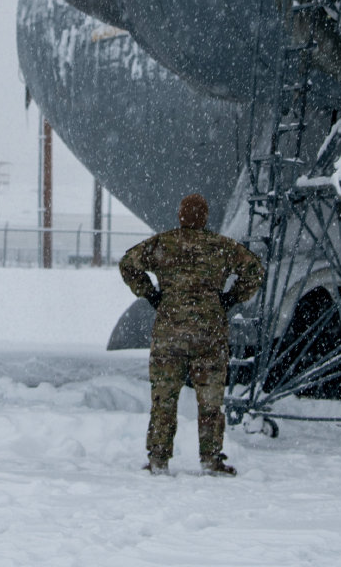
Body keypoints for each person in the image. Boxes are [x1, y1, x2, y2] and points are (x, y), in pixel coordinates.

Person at [119, 193, 265, 476]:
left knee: (164, 399)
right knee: (210, 401)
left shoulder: (163, 244)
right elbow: (254, 270)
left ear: (180, 216)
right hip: (209, 335)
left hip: (169, 333)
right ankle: (210, 459)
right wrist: (229, 298)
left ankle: (159, 459)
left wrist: (151, 295)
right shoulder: (220, 247)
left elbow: (128, 263)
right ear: (206, 217)